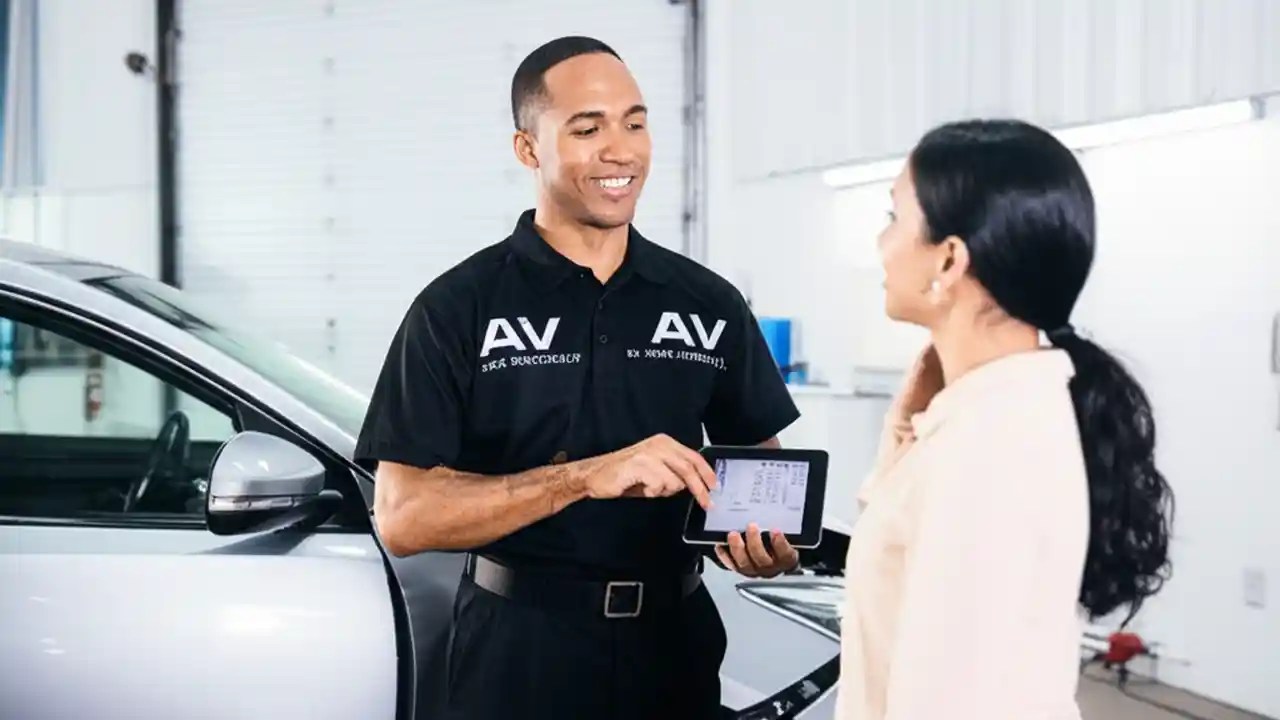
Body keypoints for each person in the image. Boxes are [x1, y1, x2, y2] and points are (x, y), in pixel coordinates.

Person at [354, 36, 802, 719]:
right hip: (519, 653)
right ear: (528, 149)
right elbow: (405, 517)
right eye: (587, 128)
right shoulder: (457, 309)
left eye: (635, 122)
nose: (620, 149)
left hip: (673, 649)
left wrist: (764, 546)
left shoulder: (706, 304)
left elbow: (762, 483)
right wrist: (582, 477)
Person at [836, 119, 1174, 720]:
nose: (881, 243)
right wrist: (906, 423)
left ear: (948, 259)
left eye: (893, 218)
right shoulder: (985, 414)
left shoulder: (991, 446)